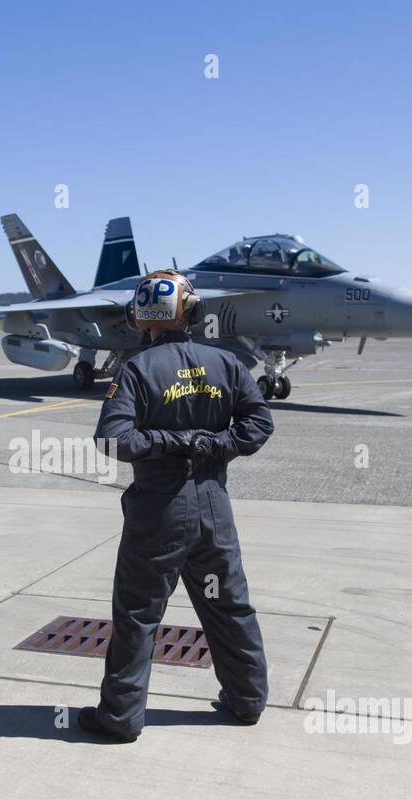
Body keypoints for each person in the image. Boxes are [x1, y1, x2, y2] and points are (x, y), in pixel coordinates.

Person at [80, 269, 274, 742]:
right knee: (229, 606)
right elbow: (258, 426)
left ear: (139, 317)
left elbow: (113, 439)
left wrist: (171, 441)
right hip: (213, 508)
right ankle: (247, 700)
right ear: (193, 310)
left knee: (139, 615)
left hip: (158, 512)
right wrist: (210, 444)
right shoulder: (226, 363)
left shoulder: (136, 370)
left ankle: (121, 717)